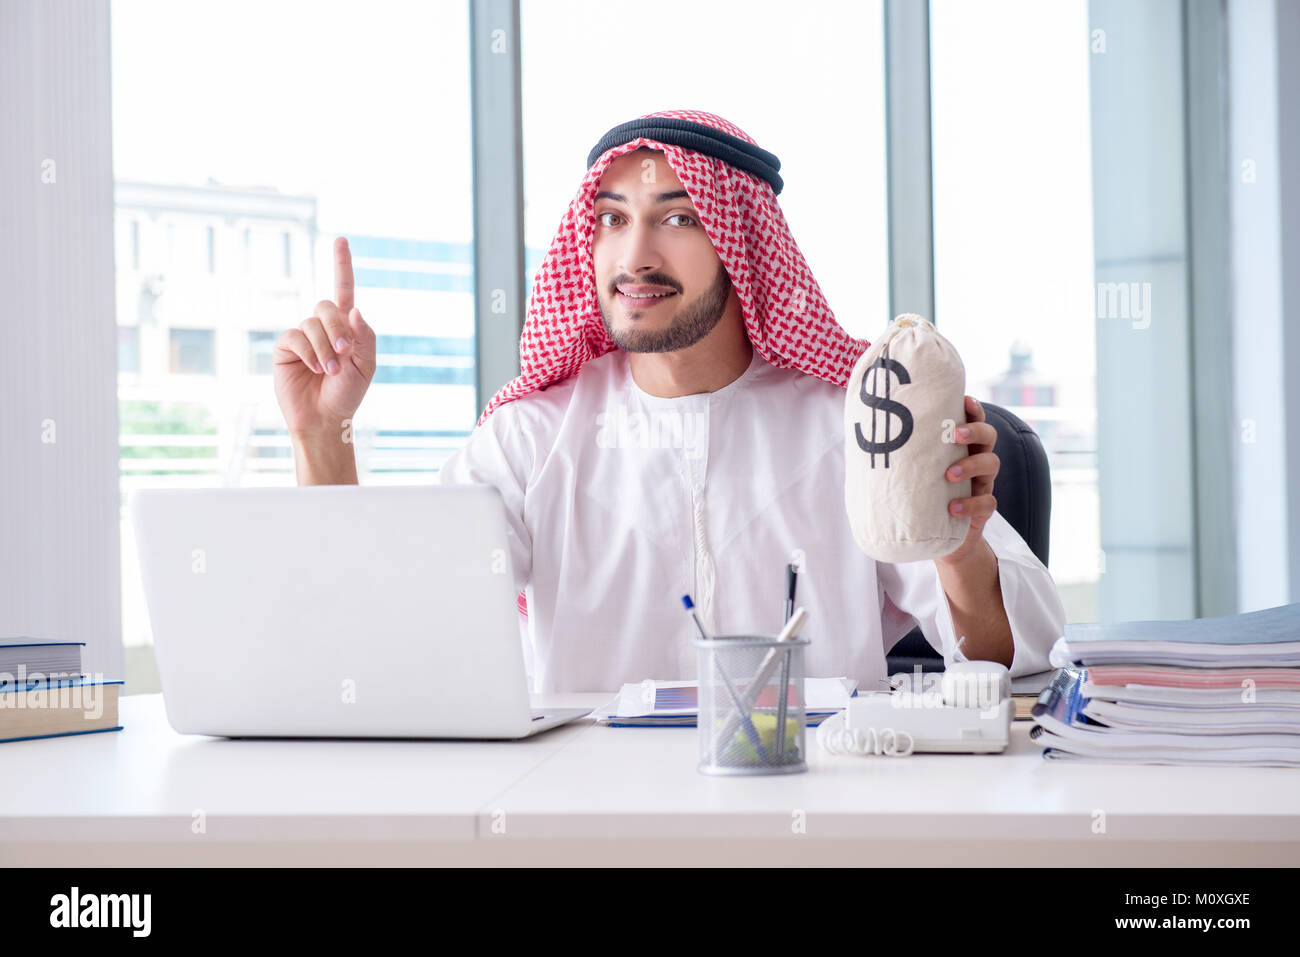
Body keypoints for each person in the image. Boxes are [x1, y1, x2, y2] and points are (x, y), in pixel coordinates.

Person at [273, 109, 1066, 693]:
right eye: (612, 220)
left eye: (678, 218)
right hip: (582, 828)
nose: (634, 255)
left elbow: (1018, 657)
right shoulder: (530, 440)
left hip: (812, 818)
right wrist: (321, 437)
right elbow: (388, 635)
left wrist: (957, 547)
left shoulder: (858, 425)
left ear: (742, 241)